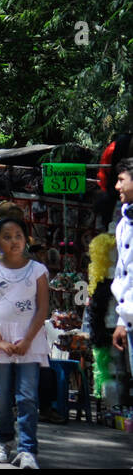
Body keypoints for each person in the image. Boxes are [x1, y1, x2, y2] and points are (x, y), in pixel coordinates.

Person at [0, 215, 49, 469]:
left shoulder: (38, 271)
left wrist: (28, 339)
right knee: (0, 396)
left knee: (27, 396)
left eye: (18, 236)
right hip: (1, 343)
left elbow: (42, 309)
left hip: (30, 341)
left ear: (26, 239)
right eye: (7, 237)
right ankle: (4, 441)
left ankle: (28, 449)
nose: (14, 241)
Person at [111, 159, 133, 374]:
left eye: (121, 180)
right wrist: (123, 321)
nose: (117, 186)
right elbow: (124, 275)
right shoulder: (123, 225)